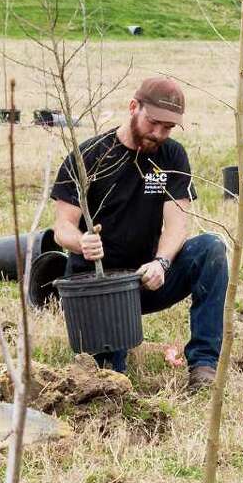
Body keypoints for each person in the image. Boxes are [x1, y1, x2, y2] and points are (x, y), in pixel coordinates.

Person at [48, 77, 227, 386]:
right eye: (153, 123)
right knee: (109, 381)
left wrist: (162, 262)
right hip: (99, 286)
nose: (159, 134)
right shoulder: (88, 156)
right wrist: (82, 242)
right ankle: (110, 353)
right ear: (133, 107)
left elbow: (177, 222)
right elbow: (61, 228)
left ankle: (204, 364)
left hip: (146, 278)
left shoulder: (172, 156)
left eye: (168, 128)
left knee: (212, 248)